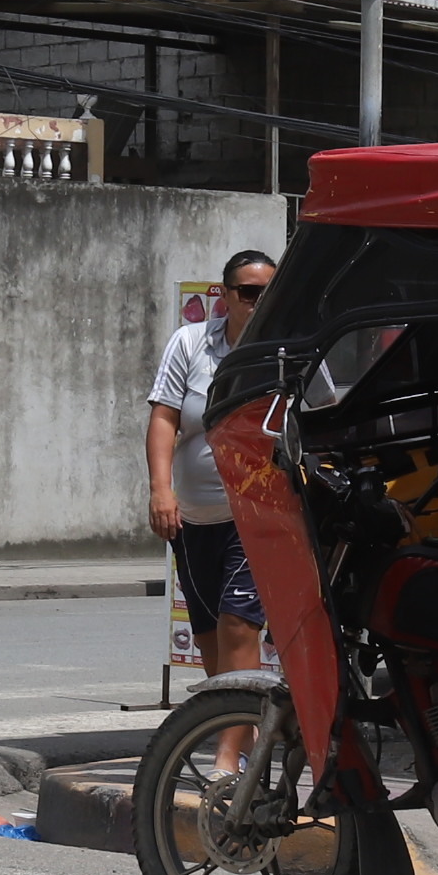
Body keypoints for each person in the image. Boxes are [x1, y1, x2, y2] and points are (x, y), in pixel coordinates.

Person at [147, 250, 279, 723]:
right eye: (248, 292)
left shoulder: (286, 351)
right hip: (193, 516)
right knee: (206, 633)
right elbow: (164, 417)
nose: (258, 302)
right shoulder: (191, 343)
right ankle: (236, 729)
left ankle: (232, 752)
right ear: (225, 294)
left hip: (254, 516)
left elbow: (322, 410)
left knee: (239, 625)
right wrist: (161, 490)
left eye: (268, 293)